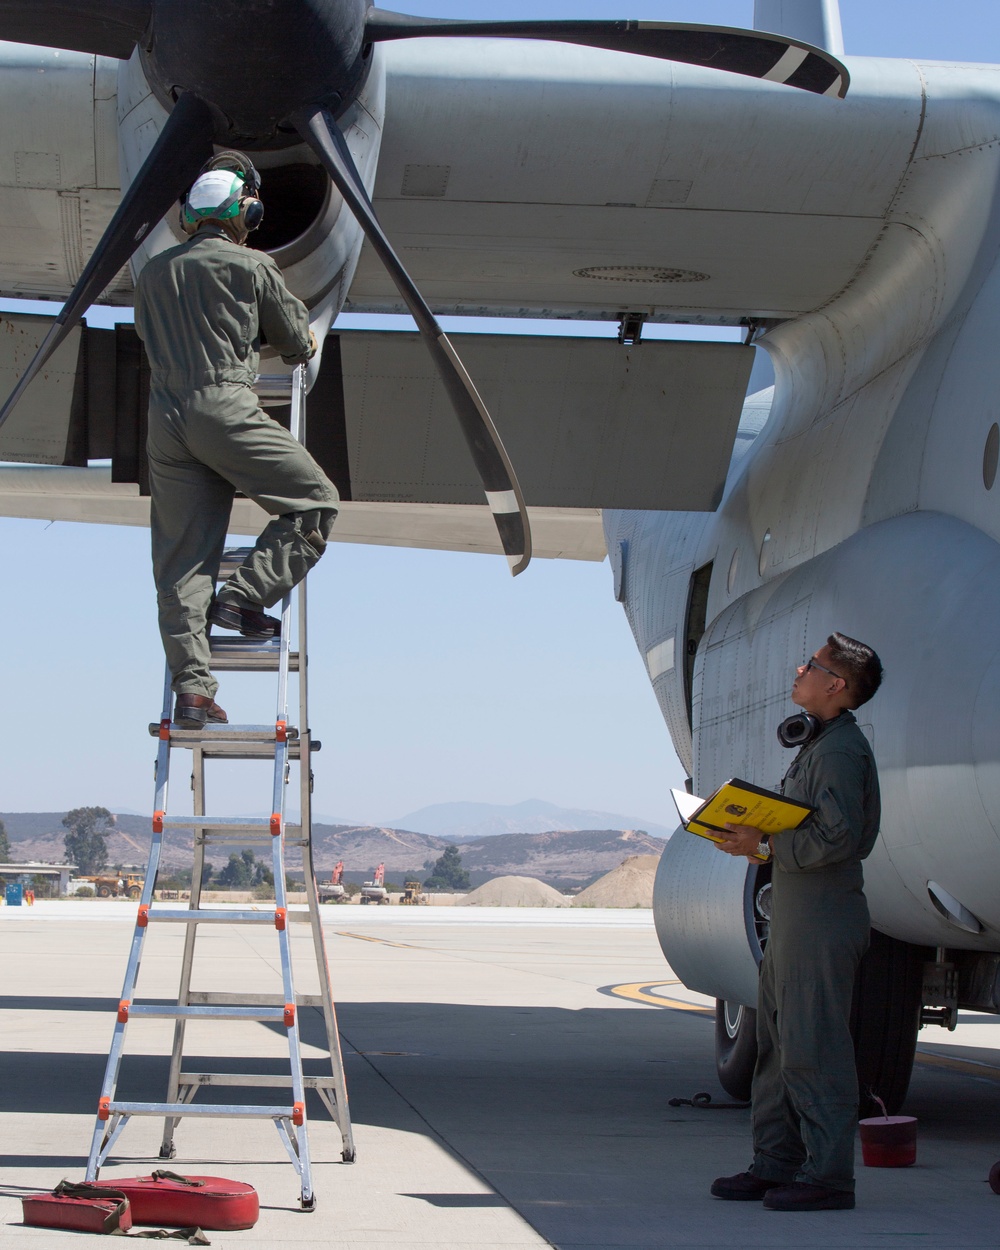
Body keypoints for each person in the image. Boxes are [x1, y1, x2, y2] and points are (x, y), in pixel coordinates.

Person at [134, 152, 339, 729]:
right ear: (245, 214)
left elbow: (150, 334)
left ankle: (193, 693)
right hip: (224, 408)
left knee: (181, 563)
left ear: (190, 216)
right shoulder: (253, 266)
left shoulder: (153, 273)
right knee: (315, 502)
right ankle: (245, 596)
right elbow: (296, 344)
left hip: (165, 419)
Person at [710, 631, 884, 1212]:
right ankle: (776, 1163)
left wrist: (763, 844)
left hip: (820, 922)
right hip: (795, 919)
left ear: (836, 684)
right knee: (777, 1048)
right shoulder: (822, 744)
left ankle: (828, 1178)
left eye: (810, 665)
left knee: (814, 1048)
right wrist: (758, 838)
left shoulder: (838, 752)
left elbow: (837, 837)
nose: (799, 670)